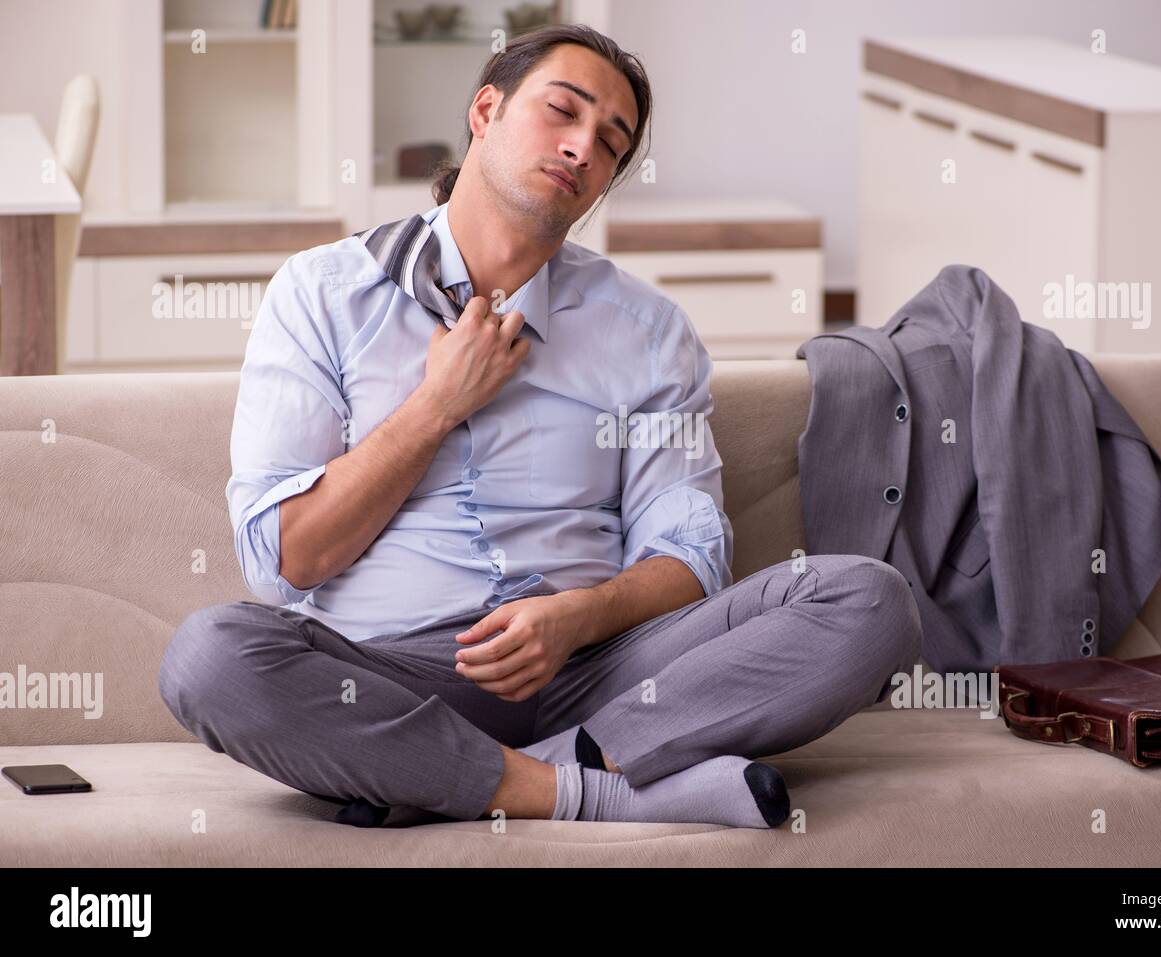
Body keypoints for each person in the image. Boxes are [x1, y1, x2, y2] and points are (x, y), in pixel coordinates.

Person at [157, 24, 921, 829]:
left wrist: (576, 618)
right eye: (563, 111)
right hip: (392, 673)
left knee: (868, 601)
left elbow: (691, 558)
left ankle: (448, 776)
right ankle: (583, 788)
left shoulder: (649, 331)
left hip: (599, 671)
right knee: (210, 657)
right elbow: (284, 561)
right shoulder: (321, 293)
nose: (581, 146)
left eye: (610, 142)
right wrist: (436, 406)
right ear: (485, 110)